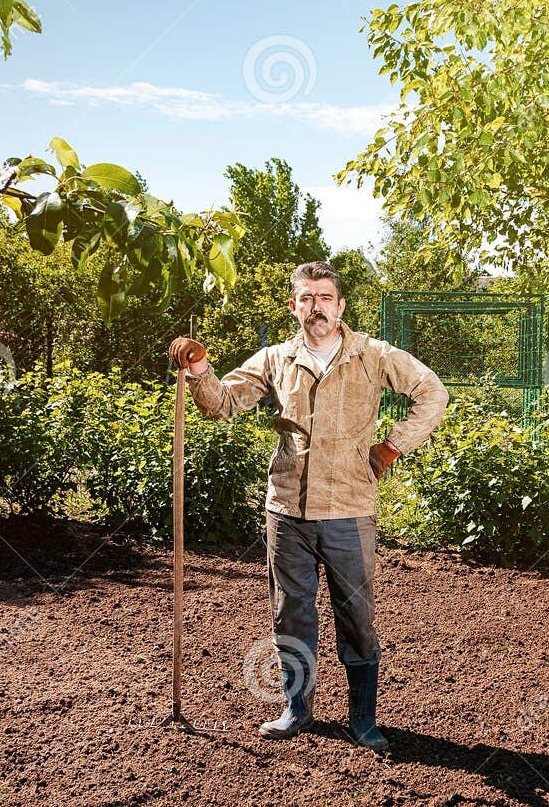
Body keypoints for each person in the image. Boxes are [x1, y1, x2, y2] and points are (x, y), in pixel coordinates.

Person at [168, 260, 449, 752]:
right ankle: (297, 709)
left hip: (349, 508)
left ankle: (363, 719)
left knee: (356, 616)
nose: (316, 307)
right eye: (306, 298)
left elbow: (433, 392)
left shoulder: (372, 355)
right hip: (287, 512)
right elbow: (222, 405)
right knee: (291, 614)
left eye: (325, 298)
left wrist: (390, 447)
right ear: (294, 306)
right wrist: (199, 370)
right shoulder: (276, 358)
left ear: (340, 306)